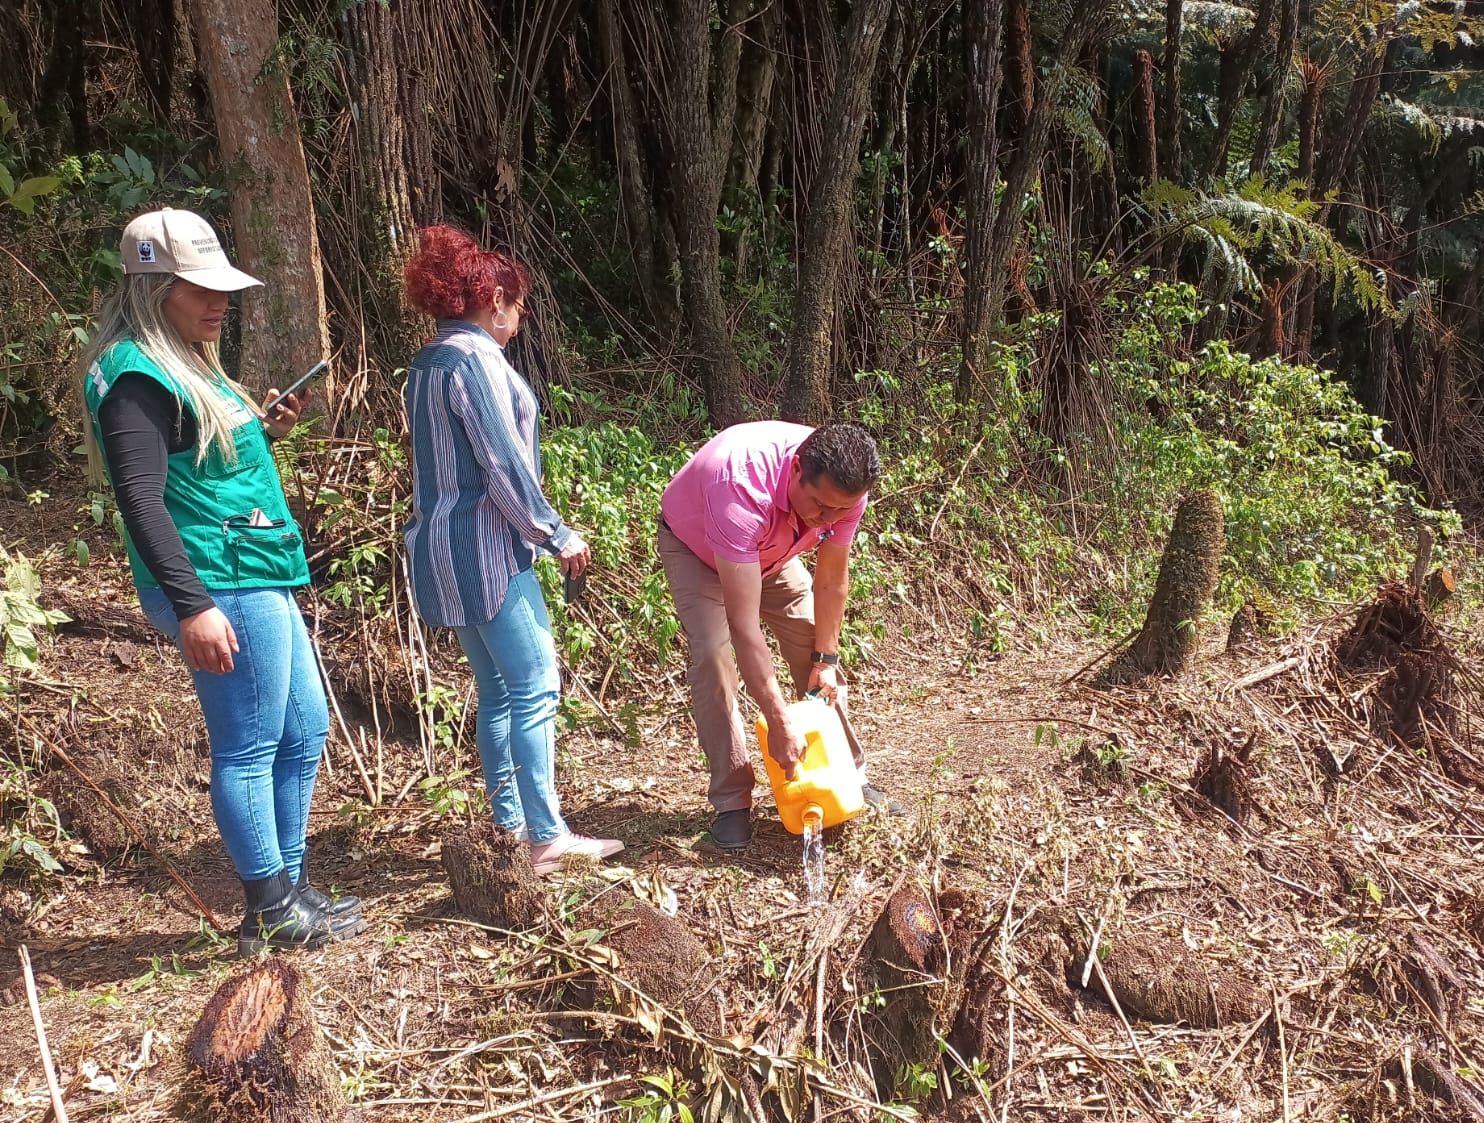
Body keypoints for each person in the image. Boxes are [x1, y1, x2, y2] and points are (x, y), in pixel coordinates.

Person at [80, 207, 362, 956]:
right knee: (248, 744)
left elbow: (191, 460)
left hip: (255, 567)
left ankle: (289, 888)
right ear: (155, 288)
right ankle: (267, 905)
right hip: (221, 579)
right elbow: (140, 499)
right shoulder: (137, 377)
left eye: (220, 287)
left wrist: (259, 429)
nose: (219, 302)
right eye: (199, 288)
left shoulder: (184, 363)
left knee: (304, 729)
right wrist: (192, 605)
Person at [401, 226, 622, 873]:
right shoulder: (474, 363)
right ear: (494, 298)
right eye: (517, 304)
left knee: (497, 690)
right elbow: (501, 464)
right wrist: (556, 534)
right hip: (488, 551)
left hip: (439, 551)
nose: (519, 319)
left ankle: (509, 829)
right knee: (534, 688)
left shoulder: (427, 362)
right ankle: (546, 836)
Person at [658, 421, 896, 849]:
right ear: (797, 468)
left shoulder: (845, 492)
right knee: (714, 657)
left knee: (812, 640)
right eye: (821, 507)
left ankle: (848, 776)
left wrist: (826, 661)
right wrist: (779, 716)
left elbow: (830, 583)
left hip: (776, 550)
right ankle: (731, 801)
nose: (829, 520)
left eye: (840, 512)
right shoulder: (740, 486)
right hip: (702, 552)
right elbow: (744, 624)